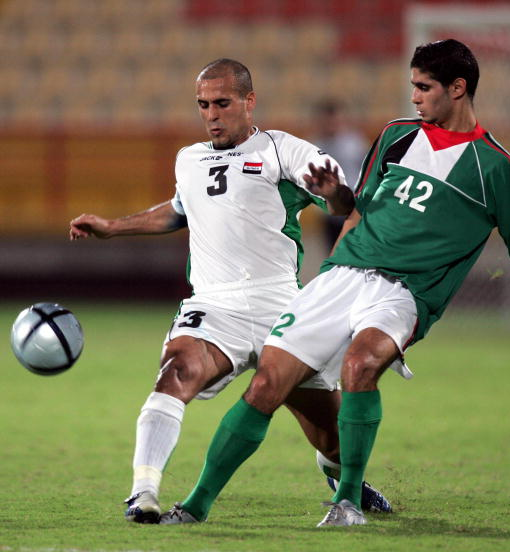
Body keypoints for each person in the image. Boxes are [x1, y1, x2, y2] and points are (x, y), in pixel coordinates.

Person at [158, 40, 510, 527]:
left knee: (360, 365)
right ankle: (195, 506)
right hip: (341, 277)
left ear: (457, 88)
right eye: (413, 86)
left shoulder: (497, 168)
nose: (414, 97)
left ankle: (347, 503)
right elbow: (358, 211)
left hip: (405, 293)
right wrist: (331, 264)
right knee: (267, 384)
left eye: (424, 87)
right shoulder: (396, 136)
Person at [68, 58, 392, 524]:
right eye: (203, 105)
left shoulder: (283, 149)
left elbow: (340, 202)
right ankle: (143, 492)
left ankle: (344, 479)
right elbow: (178, 210)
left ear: (249, 100)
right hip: (214, 304)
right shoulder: (189, 158)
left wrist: (335, 192)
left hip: (281, 305)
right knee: (175, 373)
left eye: (222, 103)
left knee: (331, 436)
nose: (212, 114)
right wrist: (112, 227)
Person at [309, 99, 369, 249]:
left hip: (354, 209)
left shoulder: (355, 143)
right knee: (333, 253)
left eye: (334, 121)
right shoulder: (314, 146)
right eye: (327, 121)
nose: (331, 125)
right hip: (331, 213)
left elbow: (369, 171)